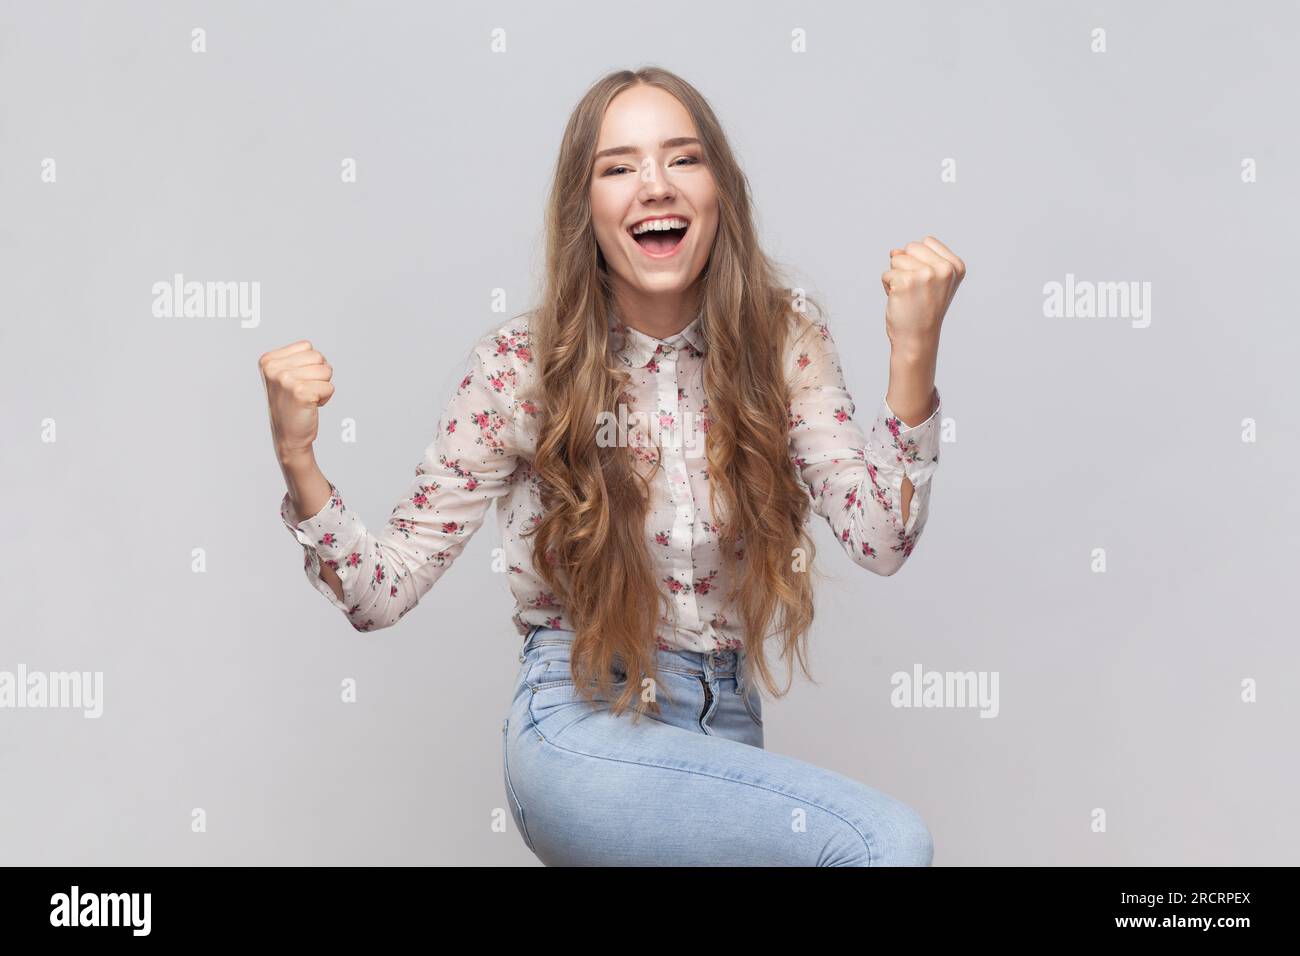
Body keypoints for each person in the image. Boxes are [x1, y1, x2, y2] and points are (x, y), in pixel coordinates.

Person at [259, 66, 964, 865]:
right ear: (584, 208)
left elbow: (880, 539)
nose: (654, 187)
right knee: (884, 844)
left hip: (728, 723)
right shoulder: (520, 366)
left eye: (683, 159)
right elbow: (377, 592)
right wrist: (297, 456)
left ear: (720, 190)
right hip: (584, 723)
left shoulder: (783, 337)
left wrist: (913, 353)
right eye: (619, 167)